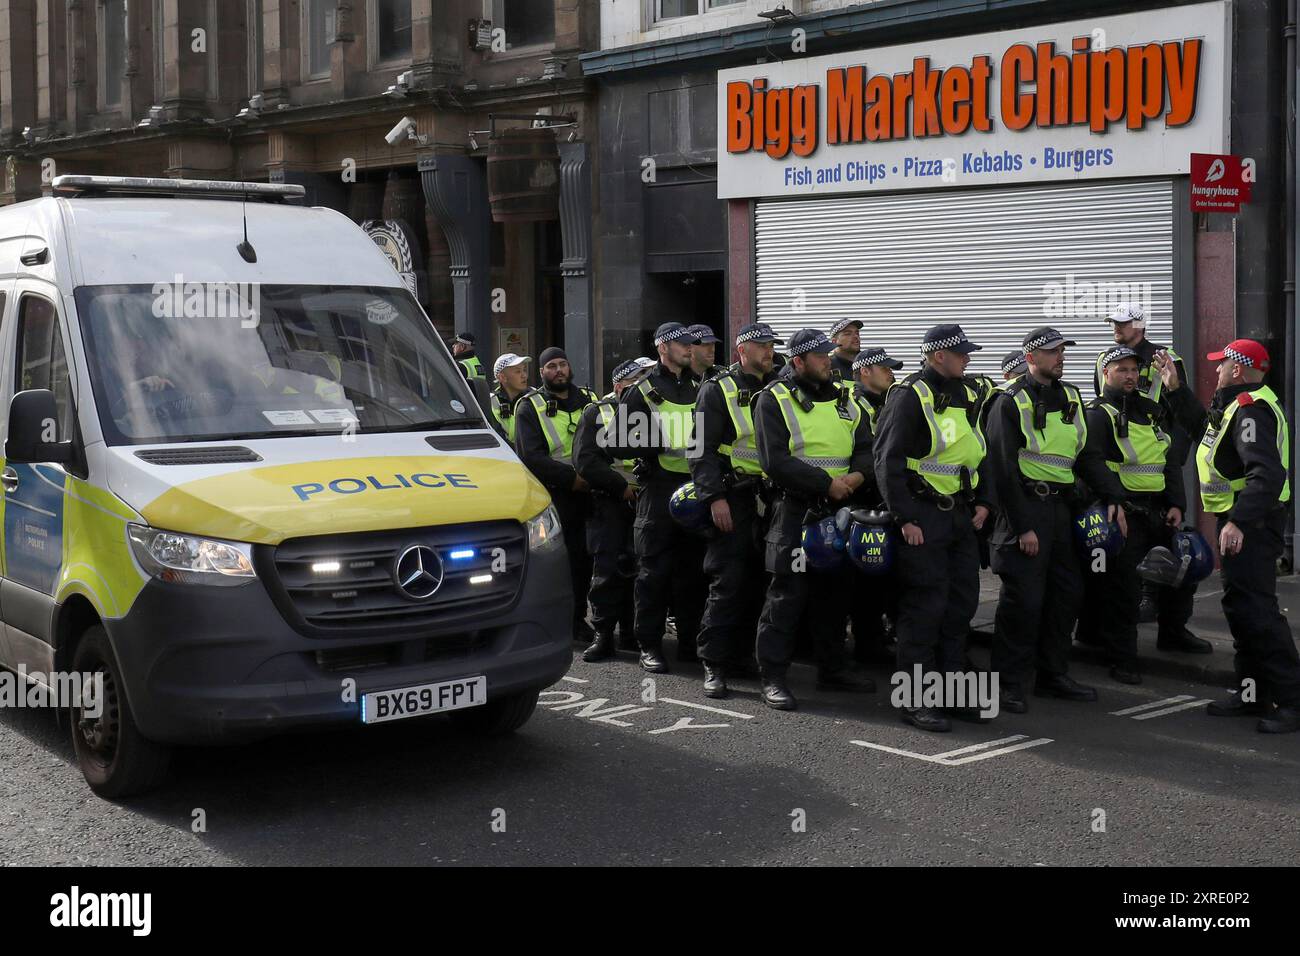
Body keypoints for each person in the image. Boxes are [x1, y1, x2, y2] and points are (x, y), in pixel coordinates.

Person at [1155, 339, 1299, 733]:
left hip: (1251, 524)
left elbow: (1266, 474)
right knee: (1240, 609)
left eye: (1221, 364)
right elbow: (1206, 432)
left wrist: (1238, 521)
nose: (1216, 370)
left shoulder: (1252, 410)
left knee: (1258, 612)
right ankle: (1251, 694)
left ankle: (1292, 701)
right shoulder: (1235, 405)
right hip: (1241, 521)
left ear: (1237, 369)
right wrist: (1175, 390)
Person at [987, 327, 1122, 714]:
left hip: (1061, 511)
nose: (1060, 357)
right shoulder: (1010, 401)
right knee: (1023, 602)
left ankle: (1052, 675)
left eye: (1062, 350)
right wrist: (1022, 526)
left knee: (1066, 596)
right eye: (1052, 352)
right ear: (1030, 358)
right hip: (1025, 508)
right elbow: (1002, 470)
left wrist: (1113, 495)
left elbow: (1087, 456)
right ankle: (1008, 683)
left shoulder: (1072, 397)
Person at [874, 324, 993, 732]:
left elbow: (978, 454)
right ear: (938, 356)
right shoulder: (910, 395)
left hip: (960, 516)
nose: (968, 359)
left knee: (959, 608)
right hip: (923, 517)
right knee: (923, 610)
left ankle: (953, 696)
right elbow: (887, 461)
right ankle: (915, 702)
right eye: (961, 353)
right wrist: (904, 517)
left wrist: (985, 502)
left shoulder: (967, 394)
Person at [753, 329, 876, 710]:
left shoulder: (847, 398)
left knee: (835, 594)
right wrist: (826, 484)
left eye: (828, 354)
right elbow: (774, 460)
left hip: (839, 510)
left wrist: (856, 477)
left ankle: (832, 669)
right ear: (798, 362)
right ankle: (773, 676)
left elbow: (867, 447)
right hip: (797, 511)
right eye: (820, 356)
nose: (828, 361)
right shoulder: (774, 398)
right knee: (787, 595)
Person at [1095, 302, 1208, 652]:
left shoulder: (1166, 358)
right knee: (1123, 568)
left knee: (1179, 558)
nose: (1116, 328)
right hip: (1124, 475)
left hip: (1160, 460)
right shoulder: (1104, 359)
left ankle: (1172, 630)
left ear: (1141, 325)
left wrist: (1173, 461)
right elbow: (1103, 408)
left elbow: (1181, 413)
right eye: (1114, 322)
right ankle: (1118, 641)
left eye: (1123, 322)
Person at [1077, 346, 1190, 684]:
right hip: (1124, 512)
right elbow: (1090, 461)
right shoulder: (1098, 414)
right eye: (1121, 369)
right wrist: (1112, 501)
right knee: (1124, 590)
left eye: (1133, 370)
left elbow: (1168, 461)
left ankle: (1174, 634)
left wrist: (1177, 503)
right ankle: (1123, 658)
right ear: (1105, 374)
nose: (1129, 376)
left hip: (1158, 509)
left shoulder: (1151, 412)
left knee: (1184, 571)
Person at [608, 323, 707, 672]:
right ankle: (649, 645)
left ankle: (690, 643)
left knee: (693, 573)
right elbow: (616, 442)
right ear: (663, 348)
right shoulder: (643, 390)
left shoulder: (700, 386)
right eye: (683, 344)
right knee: (653, 573)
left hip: (695, 489)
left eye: (692, 344)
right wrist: (657, 442)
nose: (690, 348)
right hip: (659, 490)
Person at [691, 322, 781, 697]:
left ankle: (745, 657)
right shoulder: (718, 389)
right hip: (734, 497)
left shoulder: (780, 386)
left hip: (771, 498)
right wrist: (714, 498)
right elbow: (701, 449)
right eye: (762, 346)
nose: (769, 351)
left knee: (761, 584)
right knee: (728, 583)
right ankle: (714, 663)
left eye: (771, 345)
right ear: (743, 351)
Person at [573, 357, 657, 663]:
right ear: (620, 386)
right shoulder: (596, 413)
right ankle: (604, 635)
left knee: (642, 571)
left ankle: (634, 634)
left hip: (646, 500)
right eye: (637, 380)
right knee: (608, 572)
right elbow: (585, 460)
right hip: (611, 502)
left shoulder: (653, 408)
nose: (644, 385)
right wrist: (620, 487)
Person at [513, 346, 598, 644]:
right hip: (555, 496)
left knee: (586, 562)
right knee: (559, 563)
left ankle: (580, 619)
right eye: (552, 366)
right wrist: (573, 479)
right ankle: (561, 621)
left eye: (563, 364)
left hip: (591, 492)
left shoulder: (589, 399)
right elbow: (531, 456)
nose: (559, 370)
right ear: (542, 372)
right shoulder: (529, 407)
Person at [848, 346, 905, 668]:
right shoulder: (855, 405)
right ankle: (867, 646)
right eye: (886, 368)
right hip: (862, 499)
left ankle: (879, 638)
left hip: (883, 499)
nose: (891, 373)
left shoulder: (888, 402)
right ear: (865, 371)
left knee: (885, 579)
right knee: (866, 581)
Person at [489, 353, 531, 443]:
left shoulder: (535, 397)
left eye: (524, 370)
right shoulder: (491, 402)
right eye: (518, 372)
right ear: (502, 377)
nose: (524, 375)